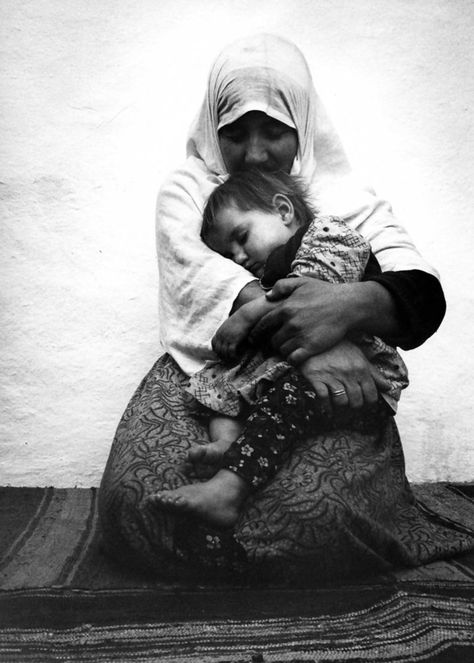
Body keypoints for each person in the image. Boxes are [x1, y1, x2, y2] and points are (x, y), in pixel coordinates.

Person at [98, 34, 473, 581]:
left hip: (339, 387)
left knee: (313, 513)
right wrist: (310, 337)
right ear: (213, 130)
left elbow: (418, 291)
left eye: (273, 131)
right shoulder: (191, 188)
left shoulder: (345, 199)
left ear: (301, 123)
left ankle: (229, 513)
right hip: (215, 369)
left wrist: (344, 311)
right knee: (136, 500)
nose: (254, 153)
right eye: (235, 133)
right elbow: (200, 275)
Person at [149, 169, 409, 528]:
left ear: (284, 210)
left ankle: (228, 490)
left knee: (285, 397)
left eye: (242, 237)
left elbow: (310, 298)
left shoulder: (326, 235)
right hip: (305, 368)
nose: (238, 257)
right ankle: (230, 442)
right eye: (228, 253)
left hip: (361, 377)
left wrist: (247, 314)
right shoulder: (270, 270)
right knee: (217, 381)